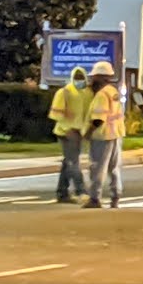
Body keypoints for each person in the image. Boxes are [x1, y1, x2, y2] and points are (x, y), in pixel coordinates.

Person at [82, 60, 124, 209]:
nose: (92, 79)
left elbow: (99, 119)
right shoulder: (113, 92)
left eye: (95, 76)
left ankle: (95, 198)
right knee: (114, 168)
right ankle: (115, 196)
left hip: (103, 135)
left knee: (97, 167)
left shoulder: (102, 94)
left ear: (101, 77)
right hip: (116, 134)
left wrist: (88, 132)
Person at [48, 65, 92, 202]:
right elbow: (55, 113)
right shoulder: (64, 92)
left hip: (79, 131)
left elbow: (88, 113)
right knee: (73, 162)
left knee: (68, 162)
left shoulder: (88, 93)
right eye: (77, 78)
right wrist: (66, 119)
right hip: (66, 131)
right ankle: (81, 191)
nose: (80, 81)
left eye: (81, 78)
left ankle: (62, 193)